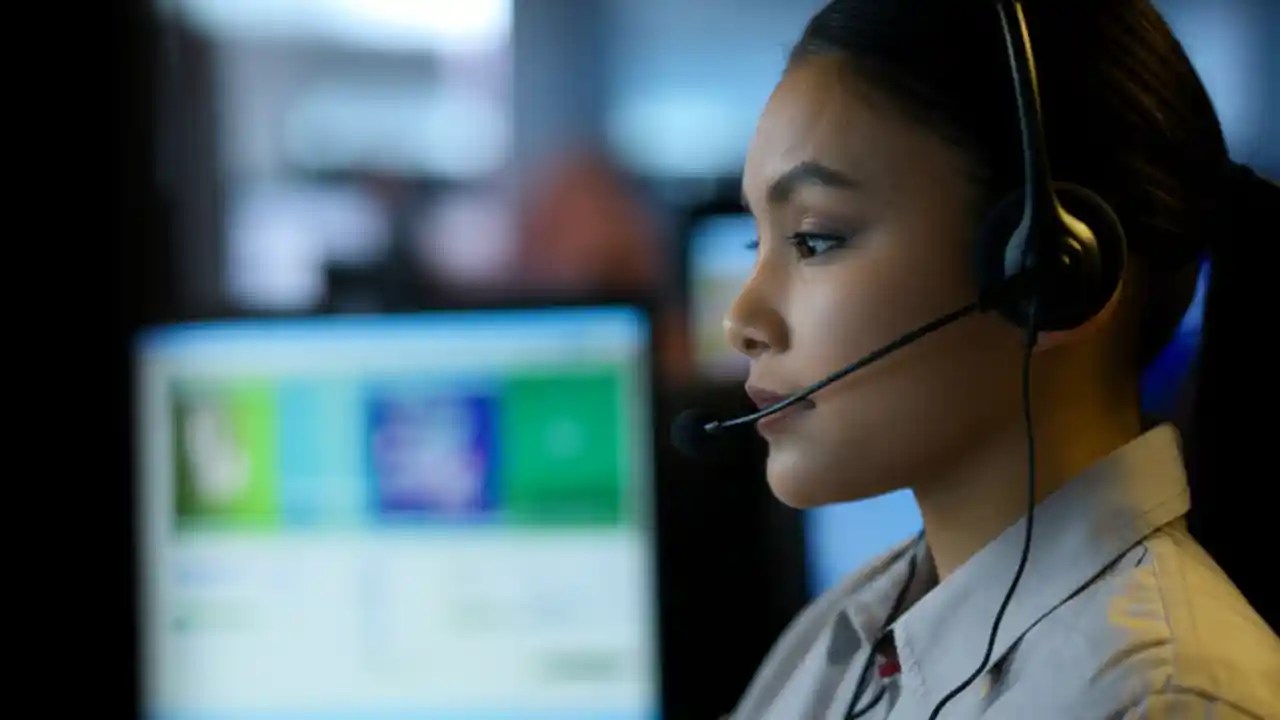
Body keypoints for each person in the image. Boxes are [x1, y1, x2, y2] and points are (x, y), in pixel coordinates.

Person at [720, 0, 1280, 717]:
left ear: (1049, 272)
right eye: (754, 243)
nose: (742, 321)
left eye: (815, 239)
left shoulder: (1156, 700)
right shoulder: (846, 636)